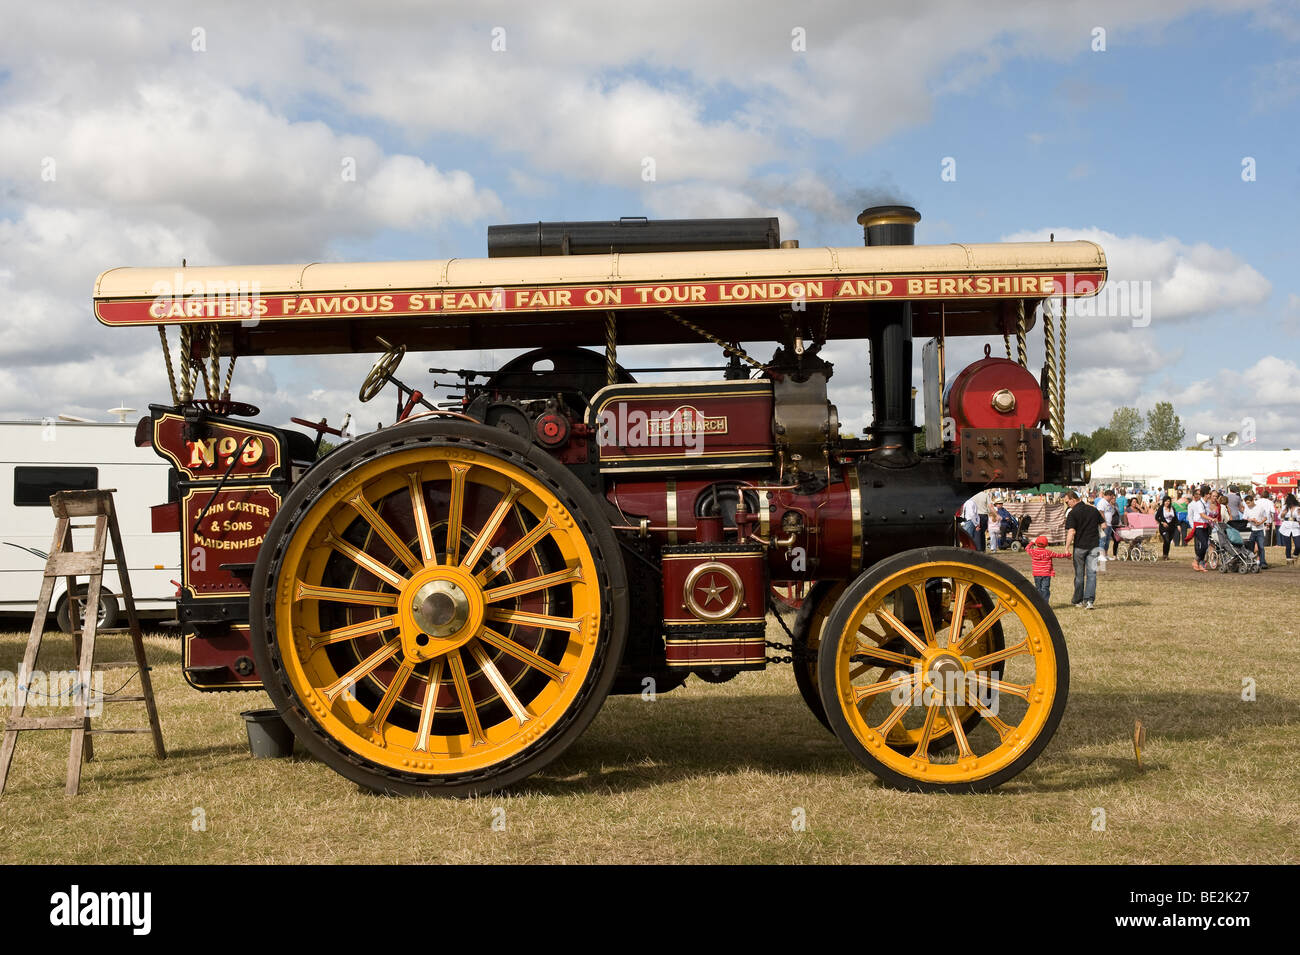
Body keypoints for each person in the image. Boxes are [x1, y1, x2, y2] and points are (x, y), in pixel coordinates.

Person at [1063, 490, 1104, 609]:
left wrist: (1066, 548)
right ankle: (1089, 601)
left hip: (1080, 547)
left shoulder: (1072, 513)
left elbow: (1071, 531)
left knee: (1079, 575)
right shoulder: (1093, 510)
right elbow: (1104, 525)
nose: (1067, 504)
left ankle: (1078, 600)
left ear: (1073, 499)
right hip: (1093, 546)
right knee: (1092, 575)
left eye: (1067, 502)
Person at [1027, 534, 1072, 601]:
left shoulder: (1033, 552)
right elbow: (1058, 555)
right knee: (1045, 588)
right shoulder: (1048, 552)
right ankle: (1045, 603)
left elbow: (1027, 548)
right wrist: (1067, 555)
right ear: (1046, 544)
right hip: (1046, 574)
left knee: (1038, 589)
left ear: (1036, 544)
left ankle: (1039, 602)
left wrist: (1031, 543)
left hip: (1037, 574)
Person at [1242, 492, 1270, 570]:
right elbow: (1244, 518)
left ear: (1252, 501)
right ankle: (1251, 561)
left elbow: (1265, 517)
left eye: (1249, 503)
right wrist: (1251, 519)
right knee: (1250, 547)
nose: (1248, 505)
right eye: (1246, 503)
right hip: (1251, 530)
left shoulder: (1260, 507)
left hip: (1259, 529)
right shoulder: (1247, 508)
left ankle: (1263, 562)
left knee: (1261, 547)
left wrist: (1259, 523)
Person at [1188, 485, 1210, 571]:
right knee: (1203, 544)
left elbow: (1208, 513)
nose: (1210, 495)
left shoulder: (1207, 503)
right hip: (1198, 526)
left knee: (1205, 545)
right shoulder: (1197, 504)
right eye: (1209, 493)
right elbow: (1201, 515)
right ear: (1206, 494)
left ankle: (1201, 563)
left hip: (1205, 526)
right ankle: (1196, 560)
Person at [1154, 494, 1179, 559]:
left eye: (1168, 501)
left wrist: (1178, 525)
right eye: (1166, 501)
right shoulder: (1161, 508)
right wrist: (1162, 522)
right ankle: (1164, 555)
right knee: (1166, 540)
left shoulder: (1172, 508)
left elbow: (1175, 518)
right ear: (1163, 502)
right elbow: (1157, 517)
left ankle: (1166, 554)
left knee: (1168, 541)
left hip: (1172, 528)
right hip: (1163, 528)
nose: (1167, 503)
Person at [1280, 492, 1300, 564]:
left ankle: (1295, 555)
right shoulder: (1285, 508)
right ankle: (1288, 559)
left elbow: (1299, 519)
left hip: (1295, 527)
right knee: (1288, 546)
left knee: (1298, 545)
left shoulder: (1298, 508)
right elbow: (1280, 517)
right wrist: (1283, 513)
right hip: (1286, 527)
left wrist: (1298, 514)